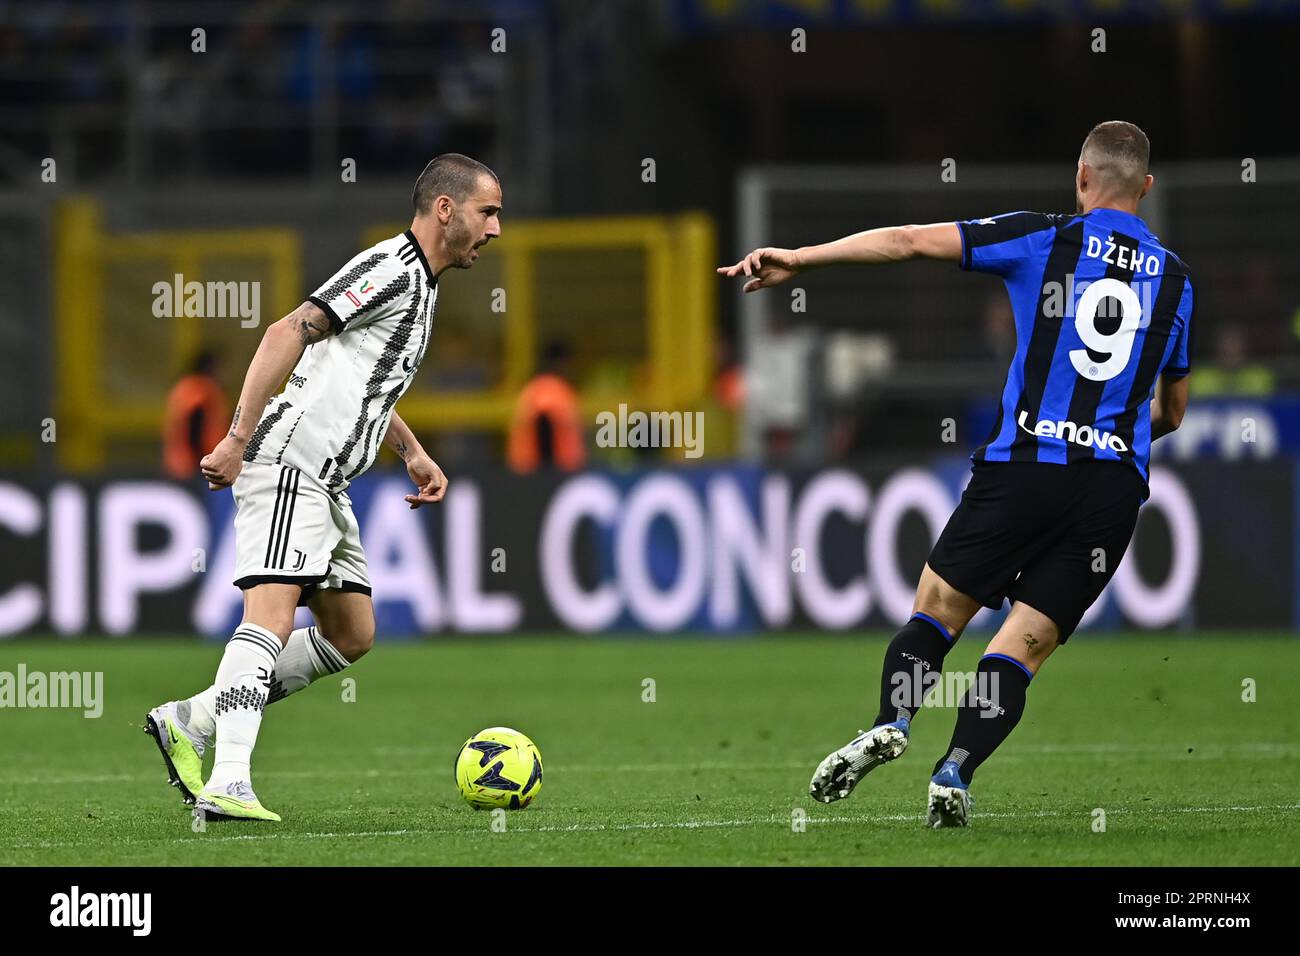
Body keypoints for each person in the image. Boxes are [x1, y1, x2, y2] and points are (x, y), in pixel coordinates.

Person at [719, 121, 1193, 827]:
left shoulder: (1042, 236)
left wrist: (804, 260)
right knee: (1024, 646)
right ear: (1147, 189)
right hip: (1112, 487)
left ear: (1082, 178)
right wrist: (1111, 431)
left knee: (940, 607)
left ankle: (893, 721)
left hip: (1028, 463)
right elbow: (1173, 412)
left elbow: (909, 239)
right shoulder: (1178, 280)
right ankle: (955, 770)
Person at [144, 153, 502, 821]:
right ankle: (228, 783)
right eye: (488, 212)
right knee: (271, 619)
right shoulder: (390, 269)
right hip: (290, 465)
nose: (497, 229)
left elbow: (366, 384)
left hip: (328, 484)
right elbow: (288, 330)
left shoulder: (421, 288)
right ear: (446, 209)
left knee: (351, 632)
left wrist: (412, 451)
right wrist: (237, 439)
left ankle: (191, 719)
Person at [507, 340, 585, 473]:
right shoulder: (550, 388)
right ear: (562, 362)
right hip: (546, 471)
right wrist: (548, 471)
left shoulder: (533, 388)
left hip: (530, 471)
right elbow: (544, 422)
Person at [162, 350, 229, 480]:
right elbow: (195, 426)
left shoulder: (184, 386)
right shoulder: (202, 390)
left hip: (178, 462)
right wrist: (201, 461)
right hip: (196, 463)